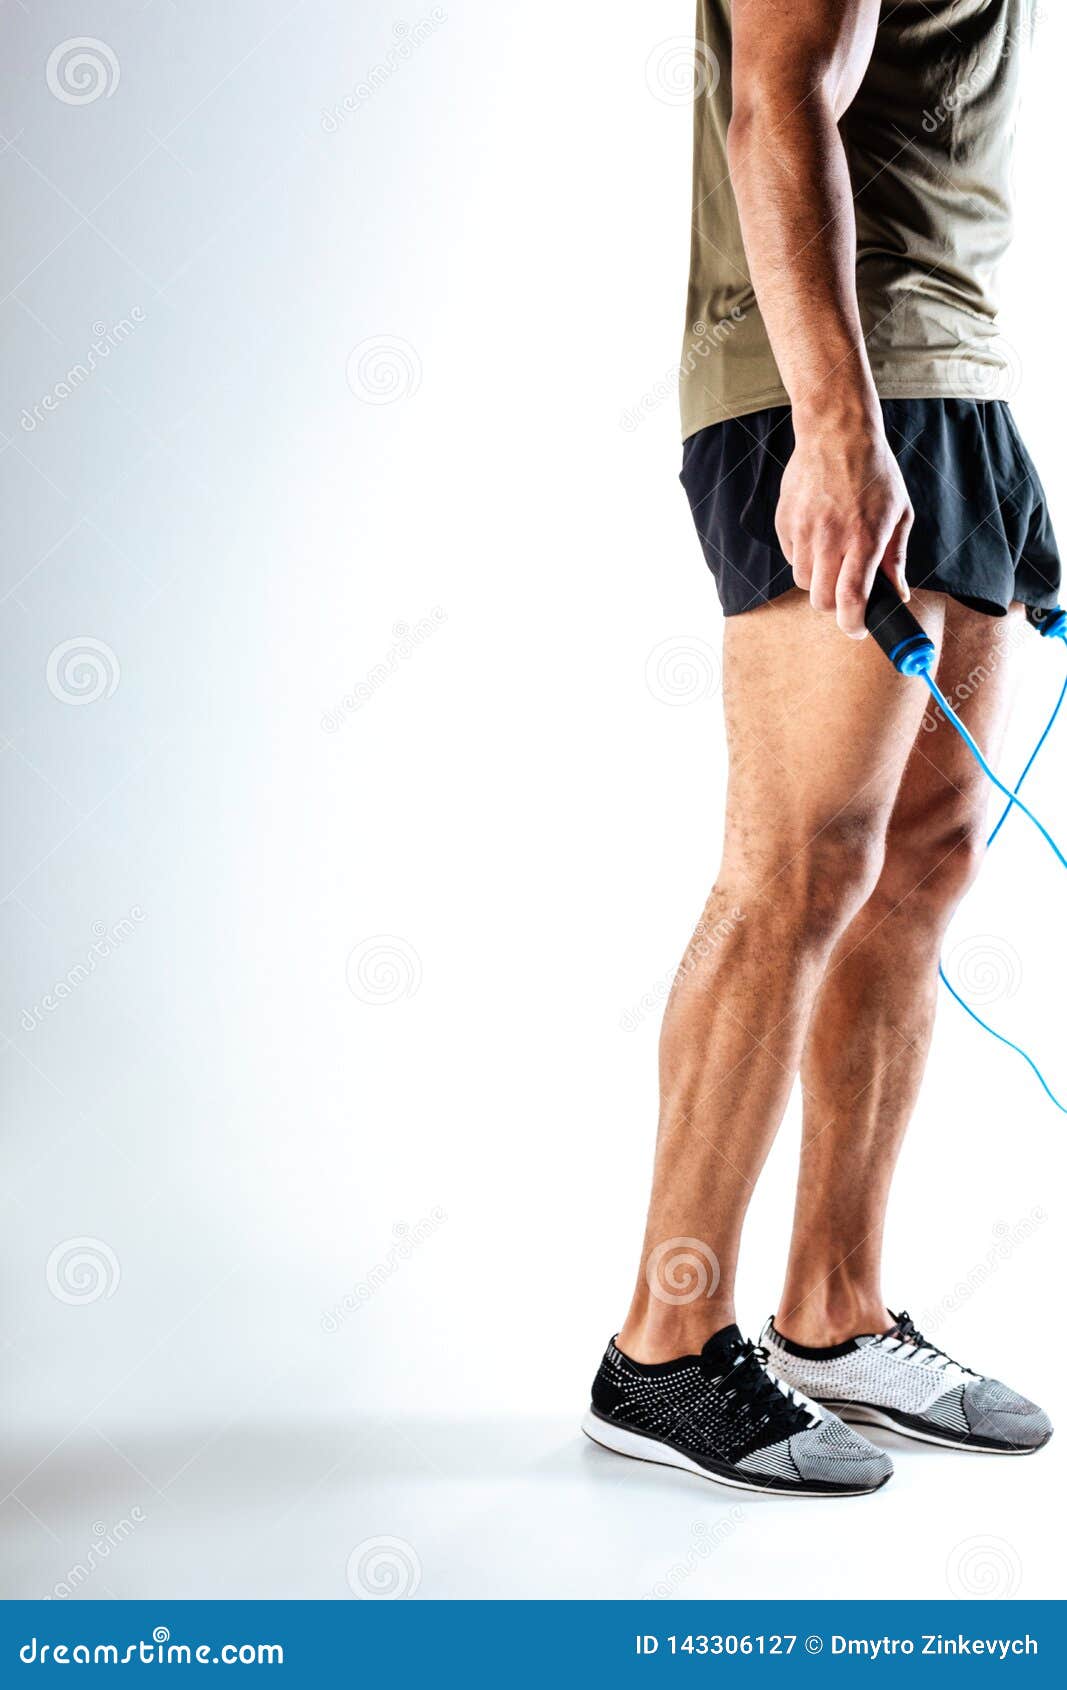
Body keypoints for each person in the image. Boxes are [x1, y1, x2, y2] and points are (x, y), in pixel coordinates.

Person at [584, 0, 1056, 1495]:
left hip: (945, 371)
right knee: (800, 862)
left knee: (921, 862)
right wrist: (839, 422)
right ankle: (661, 1349)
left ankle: (834, 1313)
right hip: (832, 385)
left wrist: (970, 434)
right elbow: (775, 99)